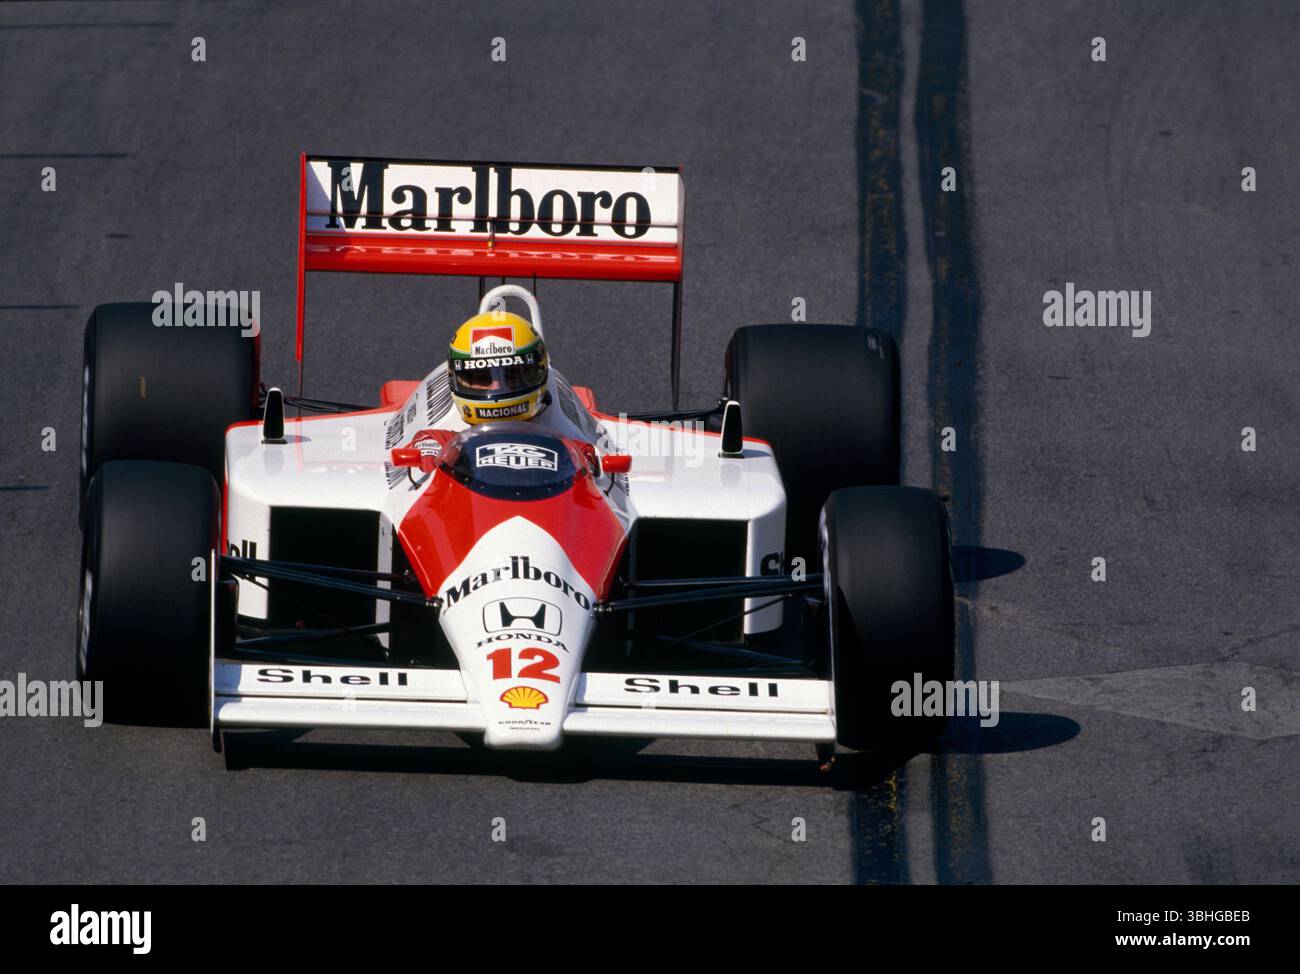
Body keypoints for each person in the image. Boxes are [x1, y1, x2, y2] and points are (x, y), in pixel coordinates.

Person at [447, 311, 550, 424]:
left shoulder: (568, 432)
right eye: (483, 378)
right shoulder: (435, 437)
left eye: (511, 375)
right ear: (459, 380)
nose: (497, 387)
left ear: (538, 372)